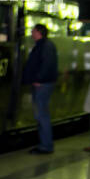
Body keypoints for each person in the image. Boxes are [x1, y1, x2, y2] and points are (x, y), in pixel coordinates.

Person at [21, 23, 58, 153]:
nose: (31, 33)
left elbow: (47, 64)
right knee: (41, 114)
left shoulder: (45, 46)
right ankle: (45, 144)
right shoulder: (43, 45)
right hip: (43, 83)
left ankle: (46, 146)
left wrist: (38, 79)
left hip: (43, 85)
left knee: (42, 115)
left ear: (38, 32)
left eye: (33, 31)